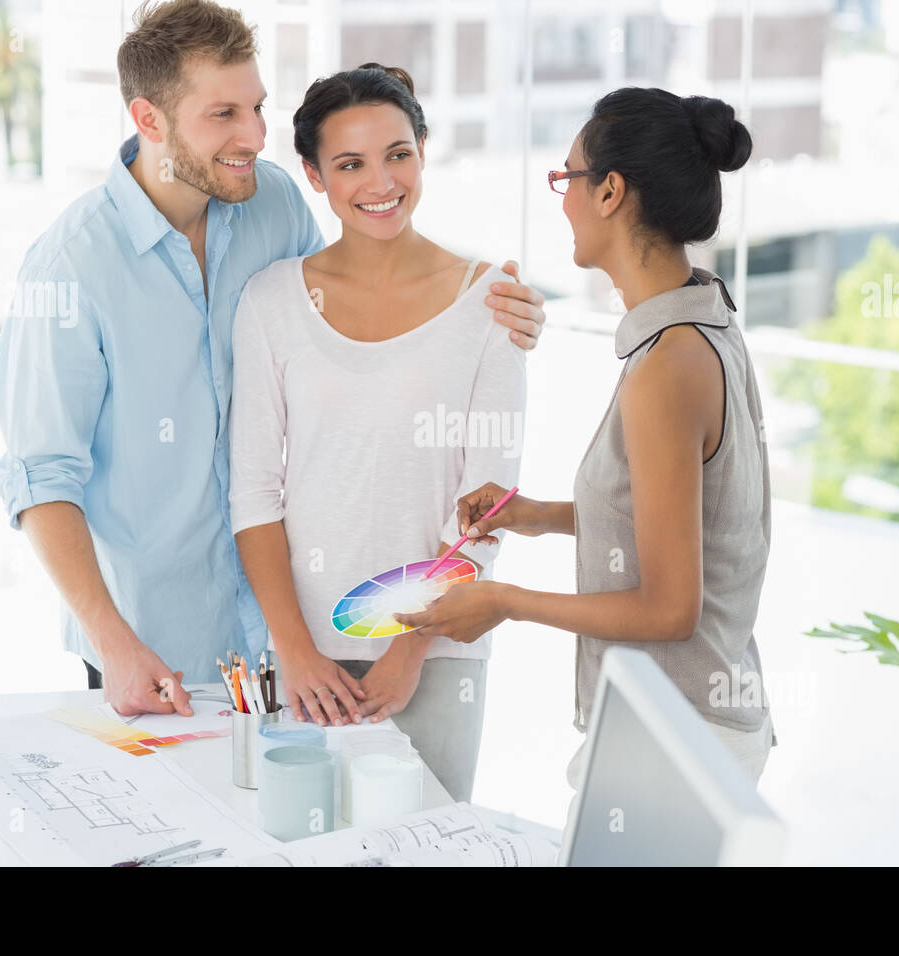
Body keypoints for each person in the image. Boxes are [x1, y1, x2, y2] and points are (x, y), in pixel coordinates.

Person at [0, 0, 546, 718]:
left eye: (256, 107)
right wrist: (114, 642)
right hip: (157, 648)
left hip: (300, 632)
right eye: (223, 114)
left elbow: (349, 318)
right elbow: (40, 477)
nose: (254, 136)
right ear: (149, 119)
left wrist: (491, 309)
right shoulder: (69, 270)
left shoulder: (273, 204)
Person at [394, 88, 777, 783]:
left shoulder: (668, 365)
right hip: (693, 729)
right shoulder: (704, 321)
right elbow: (683, 525)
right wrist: (537, 517)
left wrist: (502, 602)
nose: (562, 198)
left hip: (677, 742)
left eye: (567, 177)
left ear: (610, 192)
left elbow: (670, 608)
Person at [228, 64, 527, 802]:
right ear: (314, 175)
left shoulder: (492, 302)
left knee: (430, 845)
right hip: (306, 654)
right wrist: (294, 651)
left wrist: (410, 646)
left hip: (439, 648)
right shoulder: (271, 302)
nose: (380, 181)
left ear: (423, 149)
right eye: (350, 164)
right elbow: (254, 491)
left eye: (398, 153)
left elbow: (487, 502)